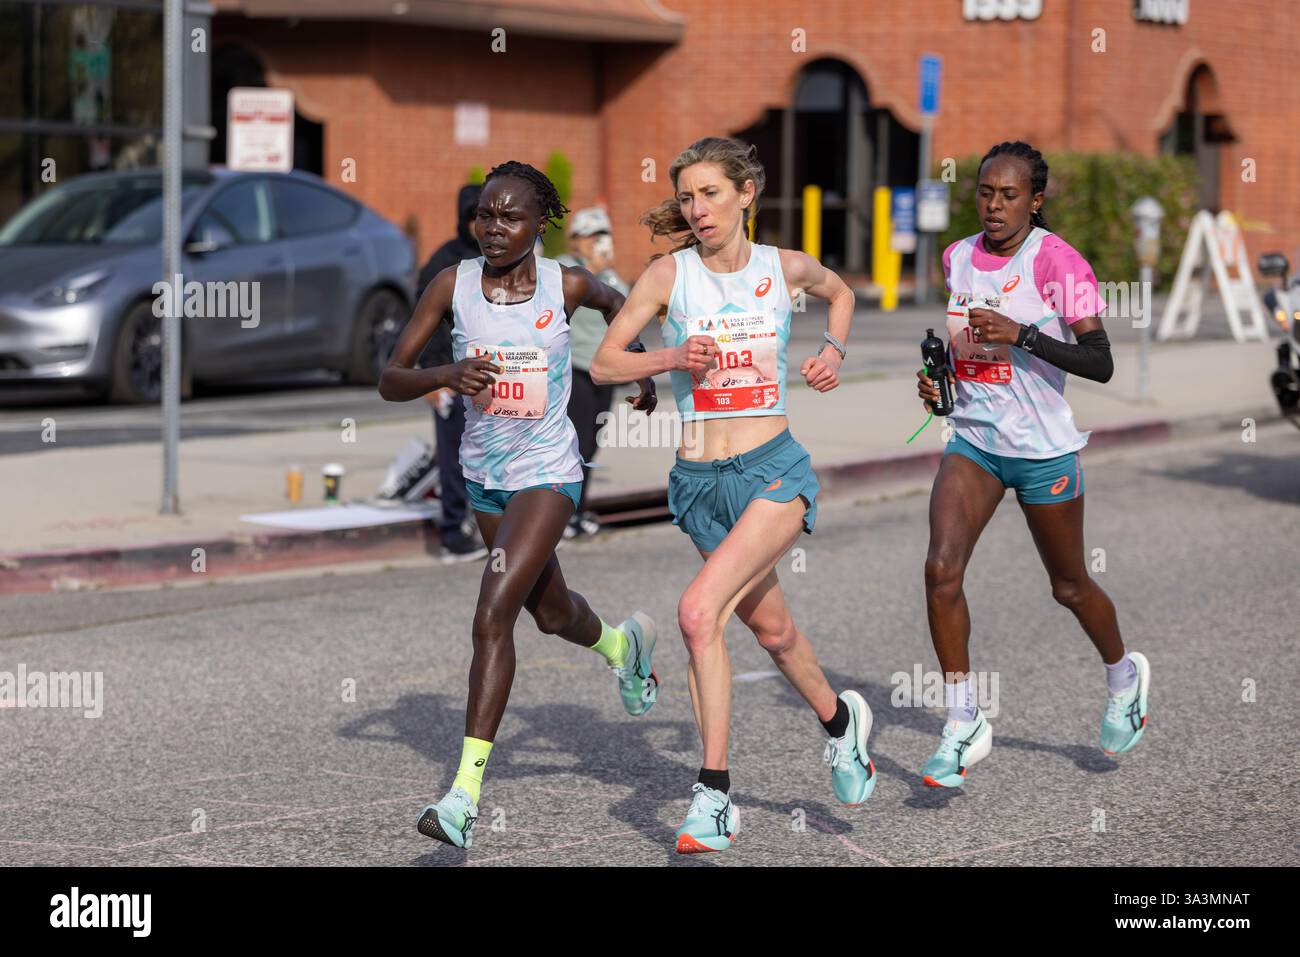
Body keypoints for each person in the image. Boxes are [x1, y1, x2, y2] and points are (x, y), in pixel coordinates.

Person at [590, 136, 874, 855]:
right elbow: (602, 361)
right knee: (772, 631)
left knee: (696, 612)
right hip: (697, 485)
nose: (698, 208)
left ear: (747, 192)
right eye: (687, 196)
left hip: (772, 472)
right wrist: (671, 356)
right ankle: (843, 724)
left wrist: (831, 353)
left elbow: (841, 293)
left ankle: (713, 794)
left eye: (711, 192)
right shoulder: (668, 274)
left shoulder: (784, 269)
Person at [379, 161, 659, 851]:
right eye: (485, 215)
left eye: (510, 217)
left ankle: (462, 796)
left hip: (547, 473)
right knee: (551, 612)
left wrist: (640, 360)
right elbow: (389, 377)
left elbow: (614, 298)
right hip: (484, 478)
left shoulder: (563, 284)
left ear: (541, 224)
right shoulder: (453, 284)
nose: (494, 228)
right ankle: (624, 646)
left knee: (492, 611)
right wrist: (444, 372)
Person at [914, 140, 1150, 788]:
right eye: (985, 192)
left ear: (1035, 200)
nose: (993, 205)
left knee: (1068, 585)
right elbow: (964, 349)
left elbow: (1099, 360)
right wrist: (937, 385)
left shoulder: (1059, 262)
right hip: (975, 440)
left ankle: (1124, 676)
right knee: (941, 568)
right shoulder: (957, 256)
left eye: (1008, 194)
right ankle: (963, 719)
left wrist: (1022, 333)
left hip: (1043, 449)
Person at [414, 183, 487, 561]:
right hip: (451, 374)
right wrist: (433, 377)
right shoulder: (444, 263)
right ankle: (452, 533)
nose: (483, 225)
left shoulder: (500, 257)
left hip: (492, 375)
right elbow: (423, 325)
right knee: (455, 456)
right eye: (475, 217)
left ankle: (488, 526)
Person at [558, 207, 630, 539]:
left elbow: (626, 315)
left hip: (604, 371)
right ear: (575, 240)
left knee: (591, 445)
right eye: (591, 236)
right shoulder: (564, 269)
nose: (598, 242)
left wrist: (604, 273)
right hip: (574, 368)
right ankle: (564, 514)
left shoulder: (611, 276)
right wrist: (592, 272)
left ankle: (580, 509)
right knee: (573, 444)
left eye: (603, 235)